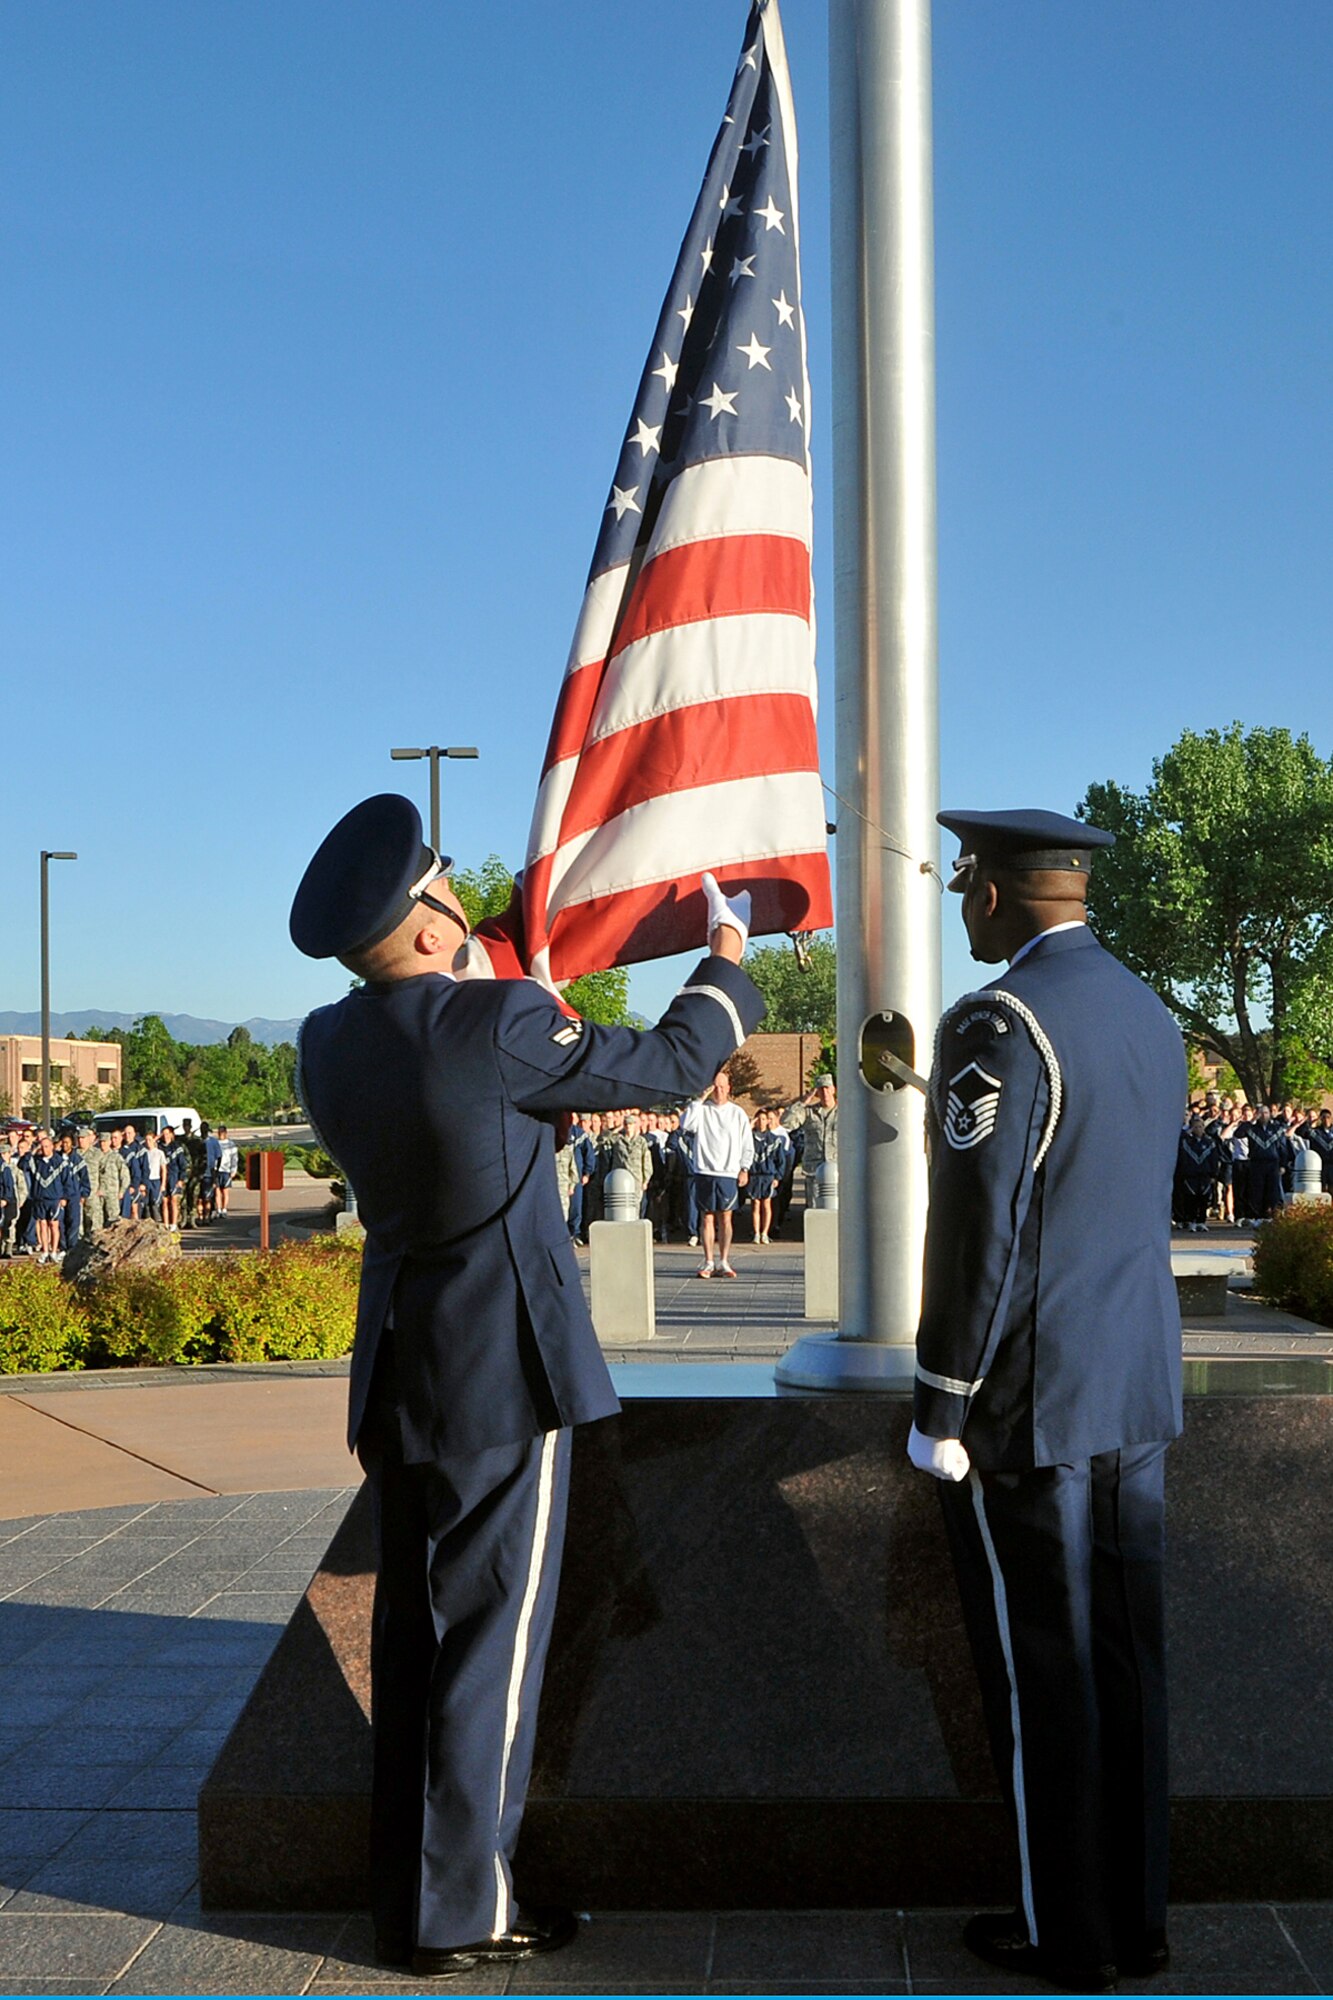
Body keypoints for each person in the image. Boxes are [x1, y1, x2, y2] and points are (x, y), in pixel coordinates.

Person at [289, 793, 763, 1978]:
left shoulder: (326, 1040)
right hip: (500, 1366)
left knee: (414, 1637)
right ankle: (465, 1909)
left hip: (401, 1361)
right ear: (437, 918)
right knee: (491, 1644)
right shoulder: (495, 1022)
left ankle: (409, 1891)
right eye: (451, 888)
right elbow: (665, 1067)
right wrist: (724, 960)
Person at [908, 807, 1184, 1994]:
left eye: (963, 883)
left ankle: (1061, 1928)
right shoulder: (1146, 1007)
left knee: (1045, 1672)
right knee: (1127, 1660)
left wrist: (940, 1397)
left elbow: (979, 1229)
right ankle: (1137, 1914)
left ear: (995, 893)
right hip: (1132, 1378)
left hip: (1029, 1394)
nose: (959, 904)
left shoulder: (996, 1020)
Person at [680, 1067, 754, 1278]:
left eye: (723, 1087)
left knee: (726, 1218)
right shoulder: (702, 1110)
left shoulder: (737, 1113)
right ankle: (708, 1261)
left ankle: (724, 1260)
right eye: (716, 1087)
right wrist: (699, 1098)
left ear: (729, 1088)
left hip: (728, 1171)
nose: (719, 1091)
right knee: (707, 1218)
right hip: (704, 1169)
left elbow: (746, 1143)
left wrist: (744, 1168)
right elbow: (685, 1124)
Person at [783, 1072, 837, 1213]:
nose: (824, 1092)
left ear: (833, 1089)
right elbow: (786, 1123)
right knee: (815, 1211)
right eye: (820, 1089)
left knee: (840, 1212)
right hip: (814, 1170)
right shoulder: (808, 1112)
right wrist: (803, 1102)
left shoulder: (845, 1112)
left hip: (839, 1171)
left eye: (827, 1088)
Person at [215, 1128, 239, 1216]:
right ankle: (218, 1209)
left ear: (225, 1133)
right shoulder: (216, 1143)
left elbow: (234, 1158)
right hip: (217, 1170)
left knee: (225, 1191)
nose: (220, 1134)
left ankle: (224, 1208)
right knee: (217, 1191)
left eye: (222, 1133)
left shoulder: (231, 1144)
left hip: (226, 1170)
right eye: (219, 1133)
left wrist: (233, 1170)